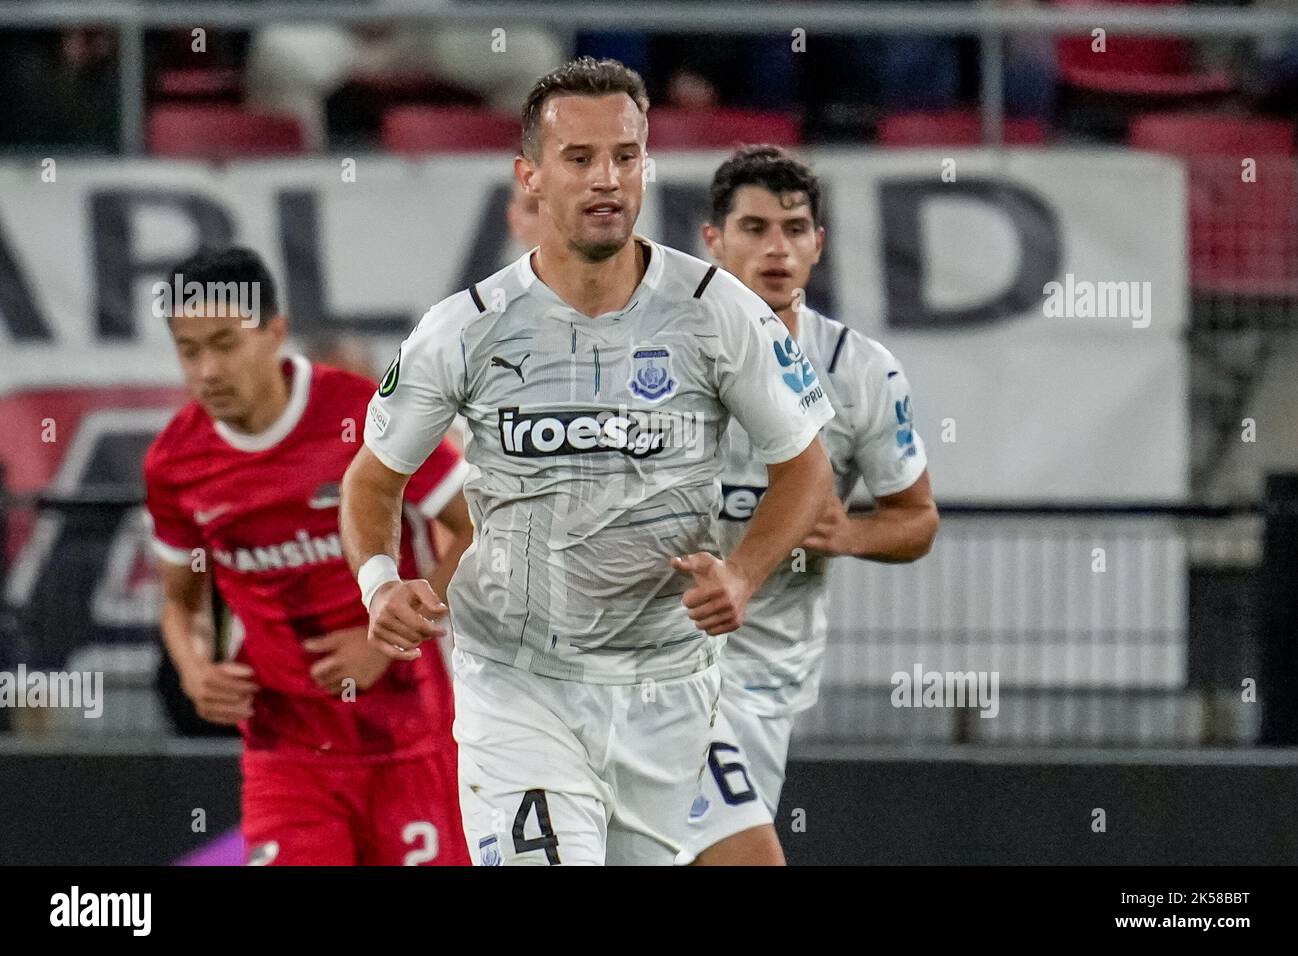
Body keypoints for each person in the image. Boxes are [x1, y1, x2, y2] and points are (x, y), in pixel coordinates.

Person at [340, 57, 835, 866]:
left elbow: (804, 466)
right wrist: (378, 580)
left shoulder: (720, 314)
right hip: (519, 684)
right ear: (529, 174)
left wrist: (743, 573)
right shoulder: (464, 330)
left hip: (666, 690)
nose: (607, 178)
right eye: (579, 158)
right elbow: (374, 477)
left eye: (626, 156)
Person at [144, 246, 473, 865]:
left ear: (274, 332)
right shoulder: (174, 463)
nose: (207, 370)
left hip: (411, 738)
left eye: (225, 343)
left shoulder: (370, 414)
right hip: (286, 754)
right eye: (189, 351)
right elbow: (178, 603)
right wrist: (195, 671)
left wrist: (385, 641)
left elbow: (481, 530)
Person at [679, 146, 939, 863]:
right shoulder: (663, 356)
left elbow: (916, 519)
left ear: (818, 245)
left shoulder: (862, 372)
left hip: (768, 678)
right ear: (714, 241)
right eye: (755, 228)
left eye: (794, 229)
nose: (776, 248)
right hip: (656, 661)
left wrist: (848, 535)